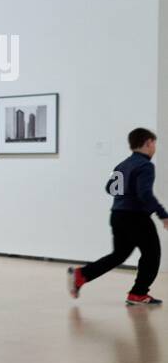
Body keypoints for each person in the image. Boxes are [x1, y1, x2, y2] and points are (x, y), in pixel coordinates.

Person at [69, 128, 168, 305]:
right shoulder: (145, 165)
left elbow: (109, 188)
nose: (154, 148)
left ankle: (82, 274)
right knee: (152, 255)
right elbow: (145, 194)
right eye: (154, 144)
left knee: (119, 255)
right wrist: (163, 215)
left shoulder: (122, 165)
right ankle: (138, 293)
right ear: (148, 143)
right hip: (136, 217)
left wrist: (125, 196)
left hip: (117, 215)